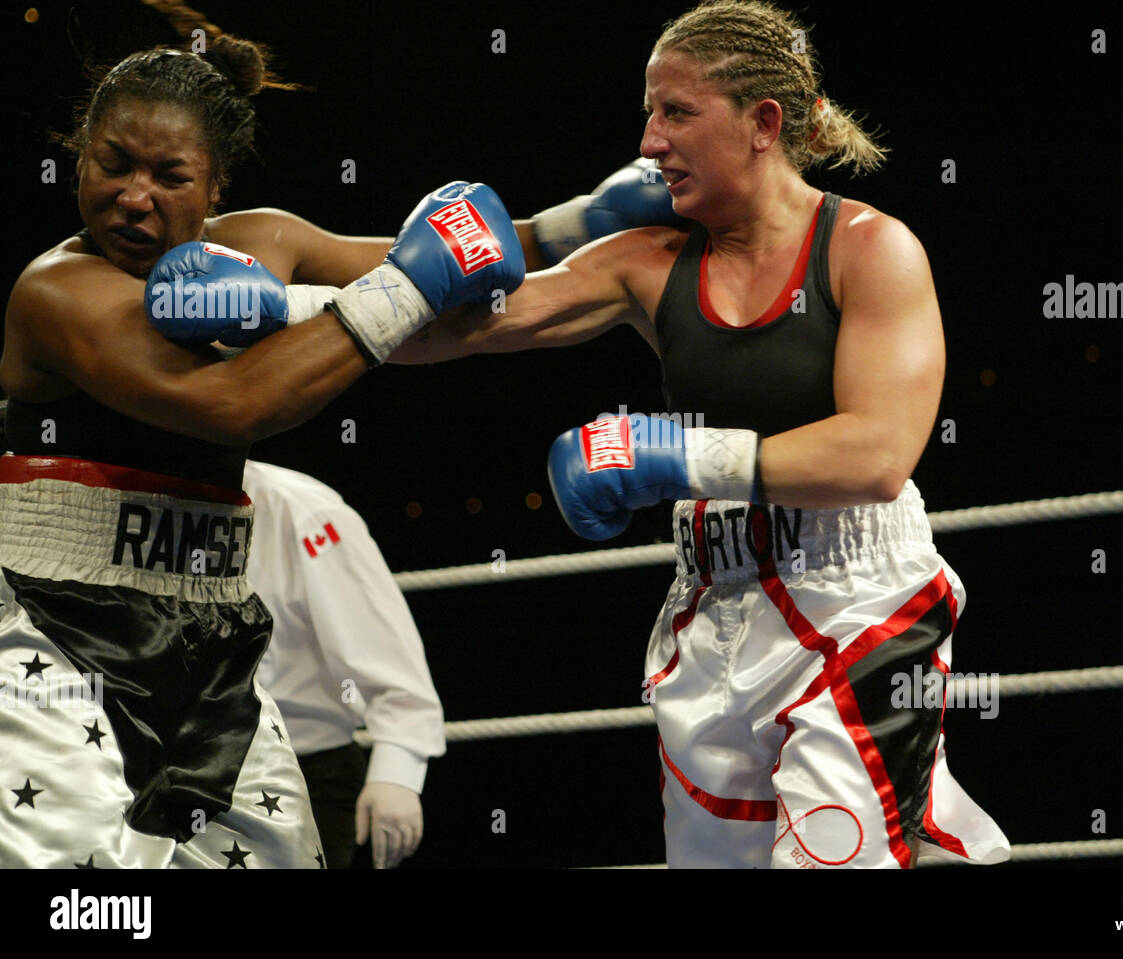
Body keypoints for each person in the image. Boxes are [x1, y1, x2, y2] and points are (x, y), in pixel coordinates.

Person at [0, 0, 678, 867]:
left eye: (169, 176)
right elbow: (237, 402)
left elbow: (448, 288)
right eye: (113, 164)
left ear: (215, 190)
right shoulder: (54, 291)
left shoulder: (266, 242)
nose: (135, 197)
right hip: (59, 637)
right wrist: (410, 282)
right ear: (78, 156)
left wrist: (576, 224)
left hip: (210, 645)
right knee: (88, 900)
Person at [397, 0, 1011, 869]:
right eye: (650, 113)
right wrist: (294, 308)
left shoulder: (869, 249)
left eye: (675, 112)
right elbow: (454, 326)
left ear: (763, 124)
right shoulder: (647, 259)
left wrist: (674, 456)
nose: (649, 142)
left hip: (860, 599)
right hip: (716, 605)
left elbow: (877, 456)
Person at [242, 459, 443, 871]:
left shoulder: (302, 508)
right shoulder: (125, 495)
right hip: (166, 771)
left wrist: (397, 770)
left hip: (302, 771)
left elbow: (386, 651)